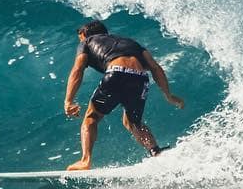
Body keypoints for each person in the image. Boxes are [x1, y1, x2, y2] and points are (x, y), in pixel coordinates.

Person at [63, 20, 184, 170]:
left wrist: (68, 100)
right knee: (132, 122)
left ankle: (85, 160)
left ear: (84, 35)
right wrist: (168, 95)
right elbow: (155, 67)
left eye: (80, 37)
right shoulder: (131, 43)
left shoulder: (87, 41)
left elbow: (78, 69)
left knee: (91, 118)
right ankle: (156, 152)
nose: (80, 41)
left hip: (117, 73)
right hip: (140, 78)